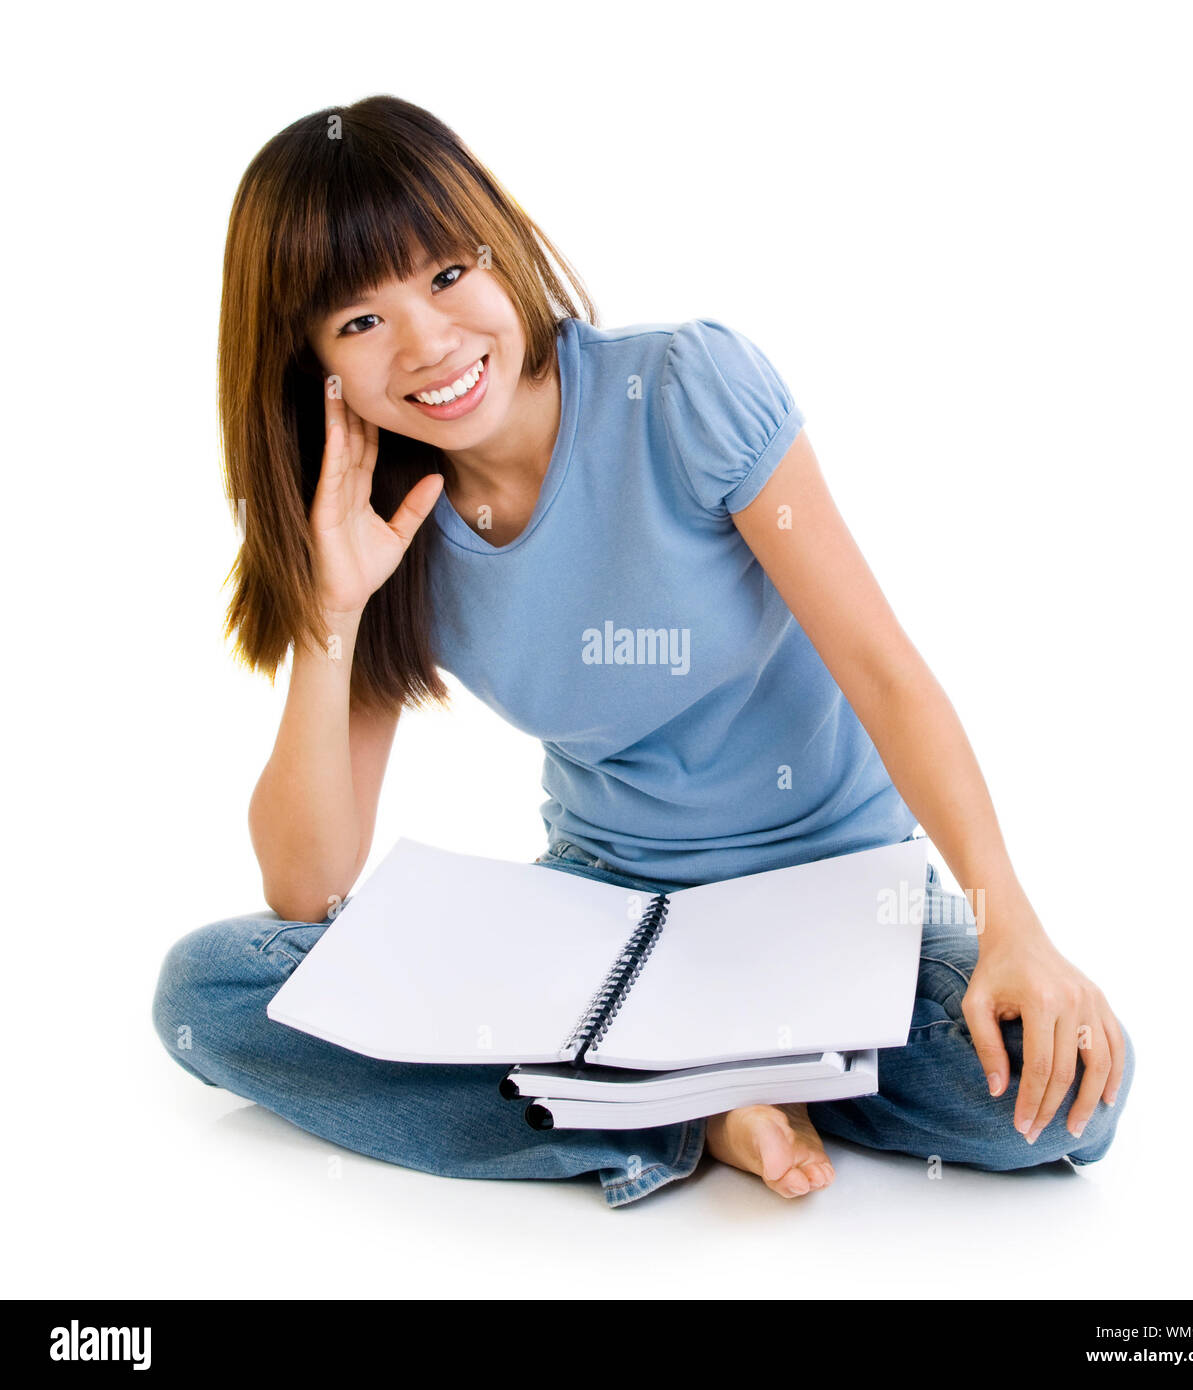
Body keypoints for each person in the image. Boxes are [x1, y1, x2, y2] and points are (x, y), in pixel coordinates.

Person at [152, 94, 1134, 1207]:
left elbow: (882, 669)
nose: (429, 345)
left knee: (1070, 1097)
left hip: (832, 894)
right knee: (217, 986)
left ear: (496, 244)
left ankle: (651, 1083)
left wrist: (1005, 915)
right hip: (604, 919)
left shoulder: (684, 389)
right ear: (312, 363)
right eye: (359, 323)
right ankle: (698, 1106)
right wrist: (329, 620)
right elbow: (306, 886)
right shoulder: (382, 528)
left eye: (441, 276)